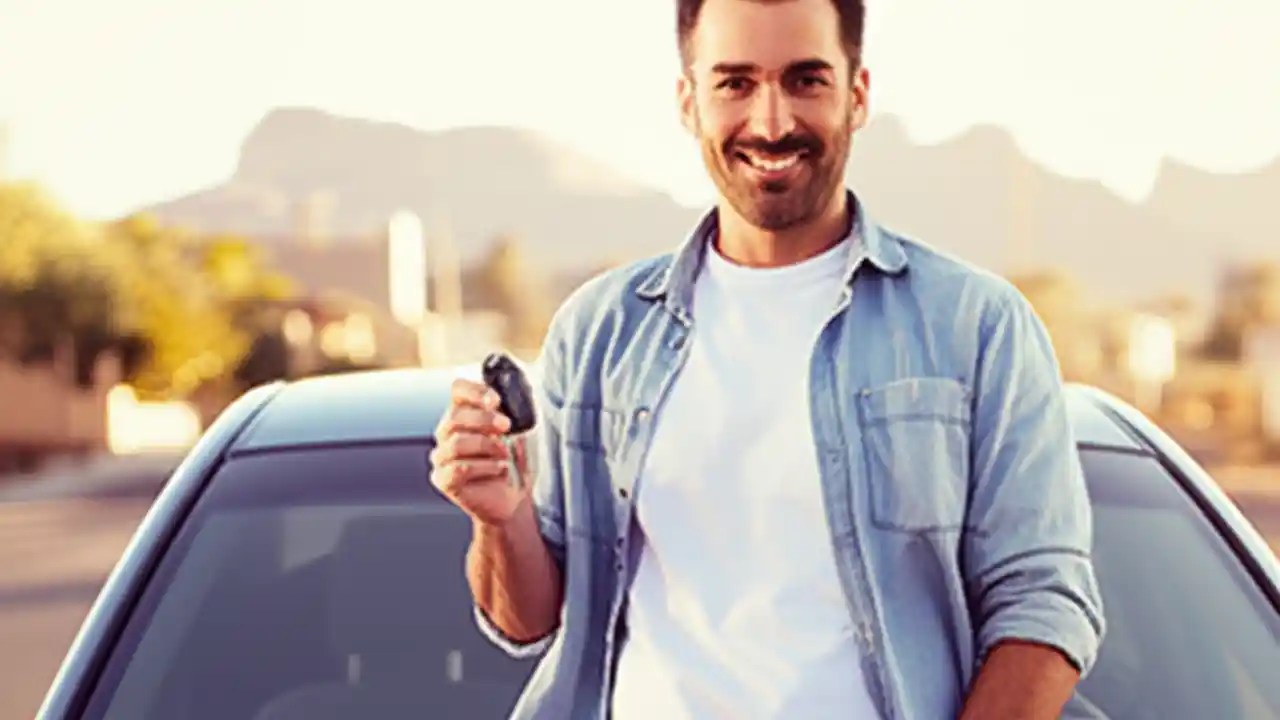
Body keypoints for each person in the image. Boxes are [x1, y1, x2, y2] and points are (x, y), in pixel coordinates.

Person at [430, 0, 1106, 717]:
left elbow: (1044, 606)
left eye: (806, 80)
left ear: (858, 93)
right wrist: (500, 519)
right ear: (689, 102)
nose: (773, 122)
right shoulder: (597, 332)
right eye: (736, 83)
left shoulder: (978, 328)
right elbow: (529, 619)